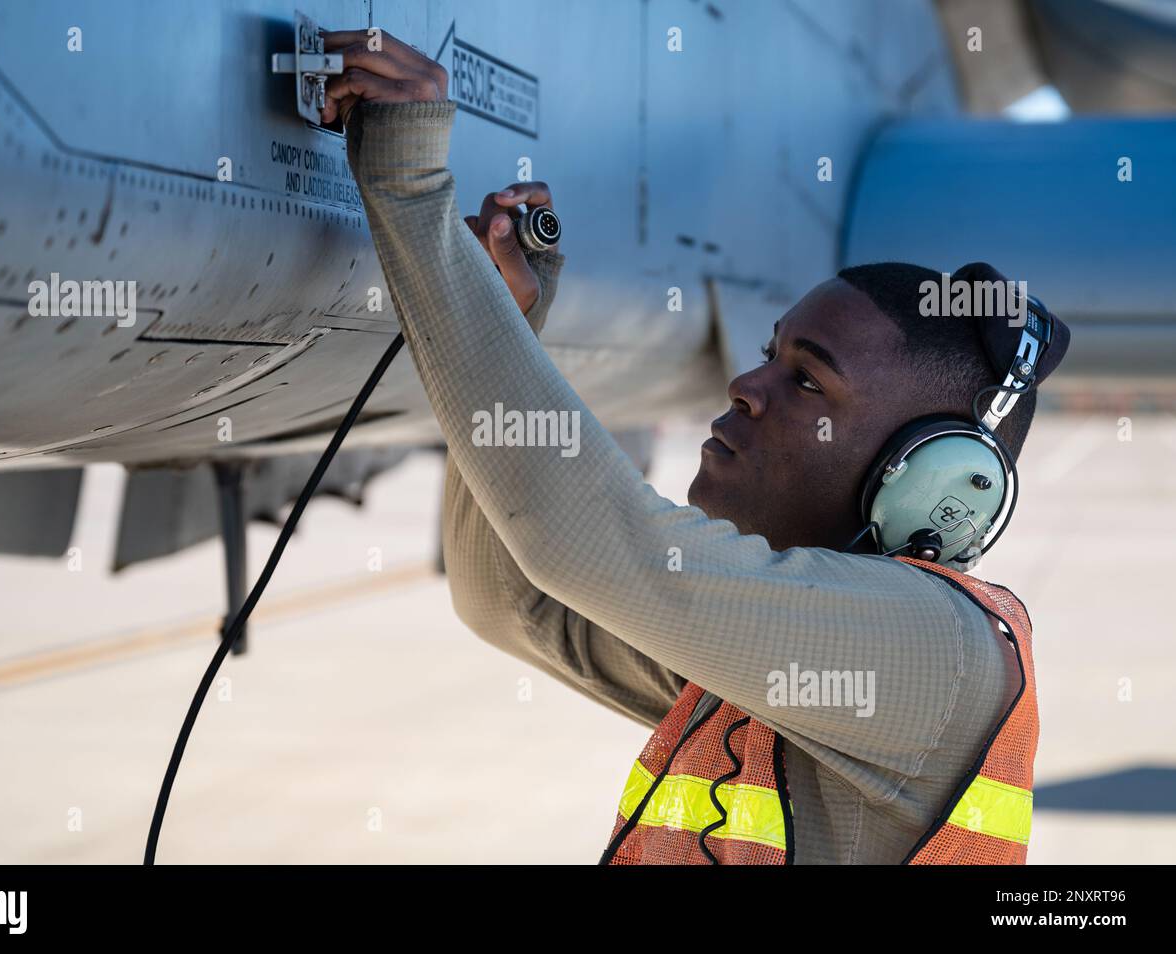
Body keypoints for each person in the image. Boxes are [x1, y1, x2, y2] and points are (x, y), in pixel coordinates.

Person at [319, 29, 1069, 864]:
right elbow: (518, 604)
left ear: (930, 482)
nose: (747, 387)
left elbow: (594, 548)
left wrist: (411, 184)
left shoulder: (935, 649)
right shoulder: (785, 664)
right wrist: (510, 323)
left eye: (809, 382)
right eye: (769, 354)